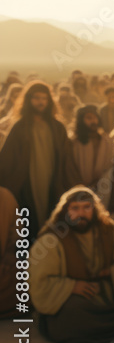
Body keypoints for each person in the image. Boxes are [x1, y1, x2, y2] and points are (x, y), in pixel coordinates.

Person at [28, 186, 114, 343]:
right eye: (75, 208)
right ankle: (113, 329)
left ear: (94, 209)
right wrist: (72, 286)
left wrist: (111, 272)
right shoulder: (52, 240)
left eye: (86, 207)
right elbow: (38, 281)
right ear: (65, 211)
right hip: (73, 300)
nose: (81, 213)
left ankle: (103, 329)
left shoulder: (110, 230)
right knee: (73, 313)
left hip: (106, 293)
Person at [0, 81, 72, 237]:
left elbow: (67, 160)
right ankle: (26, 259)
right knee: (27, 222)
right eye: (37, 98)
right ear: (29, 100)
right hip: (27, 183)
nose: (40, 102)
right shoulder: (20, 127)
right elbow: (7, 159)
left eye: (44, 98)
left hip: (53, 181)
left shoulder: (57, 127)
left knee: (52, 218)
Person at [69, 105, 114, 190]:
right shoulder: (74, 142)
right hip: (78, 187)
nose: (93, 121)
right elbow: (70, 168)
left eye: (95, 117)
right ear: (81, 120)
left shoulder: (106, 141)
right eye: (89, 118)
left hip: (102, 187)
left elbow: (110, 165)